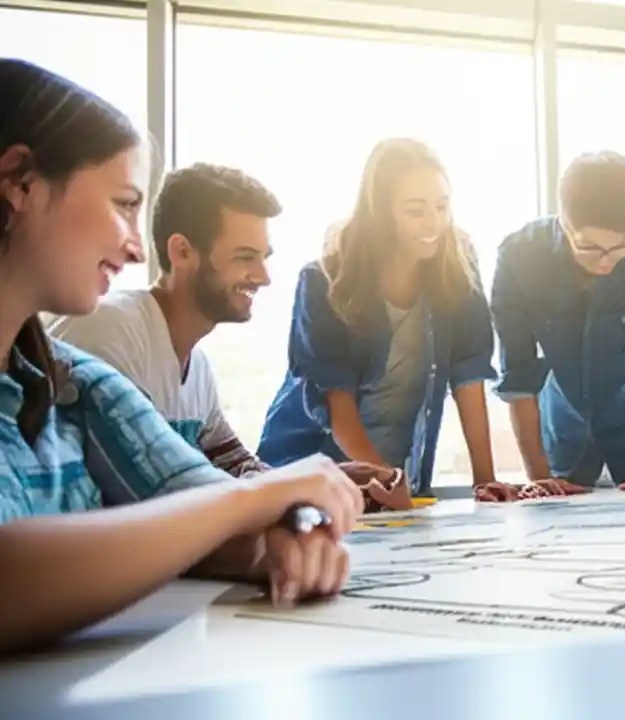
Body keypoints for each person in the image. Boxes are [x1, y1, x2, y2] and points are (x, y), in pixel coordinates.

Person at [0, 59, 363, 655]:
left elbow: (198, 502)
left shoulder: (78, 383)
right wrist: (256, 502)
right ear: (19, 183)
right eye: (122, 203)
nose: (134, 245)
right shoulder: (111, 338)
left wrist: (278, 534)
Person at [49, 163, 409, 510]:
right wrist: (303, 491)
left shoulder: (197, 369)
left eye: (263, 257)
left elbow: (241, 475)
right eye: (245, 257)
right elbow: (153, 491)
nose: (263, 276)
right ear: (182, 252)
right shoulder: (111, 331)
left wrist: (336, 482)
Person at [257, 139, 515, 502]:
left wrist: (485, 480)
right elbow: (338, 408)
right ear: (381, 211)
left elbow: (468, 377)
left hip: (394, 480)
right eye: (416, 210)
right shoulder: (323, 282)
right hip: (314, 472)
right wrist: (389, 482)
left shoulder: (457, 267)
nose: (434, 223)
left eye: (442, 207)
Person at [492, 151, 625, 495]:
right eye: (590, 248)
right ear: (564, 225)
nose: (607, 262)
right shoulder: (519, 257)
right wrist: (539, 478)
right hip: (563, 430)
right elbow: (519, 376)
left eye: (623, 244)